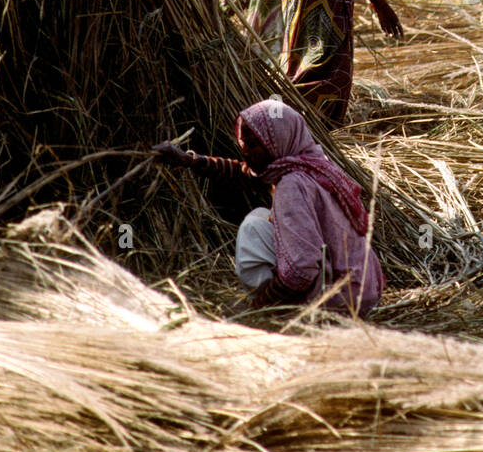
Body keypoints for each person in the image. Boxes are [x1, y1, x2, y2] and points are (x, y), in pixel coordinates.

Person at [152, 100, 385, 314]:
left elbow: (301, 273)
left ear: (278, 141)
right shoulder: (313, 164)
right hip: (364, 289)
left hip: (338, 299)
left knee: (254, 225)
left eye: (254, 145)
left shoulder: (292, 186)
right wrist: (190, 161)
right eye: (245, 142)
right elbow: (246, 173)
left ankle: (285, 309)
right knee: (263, 218)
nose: (245, 151)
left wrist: (260, 307)